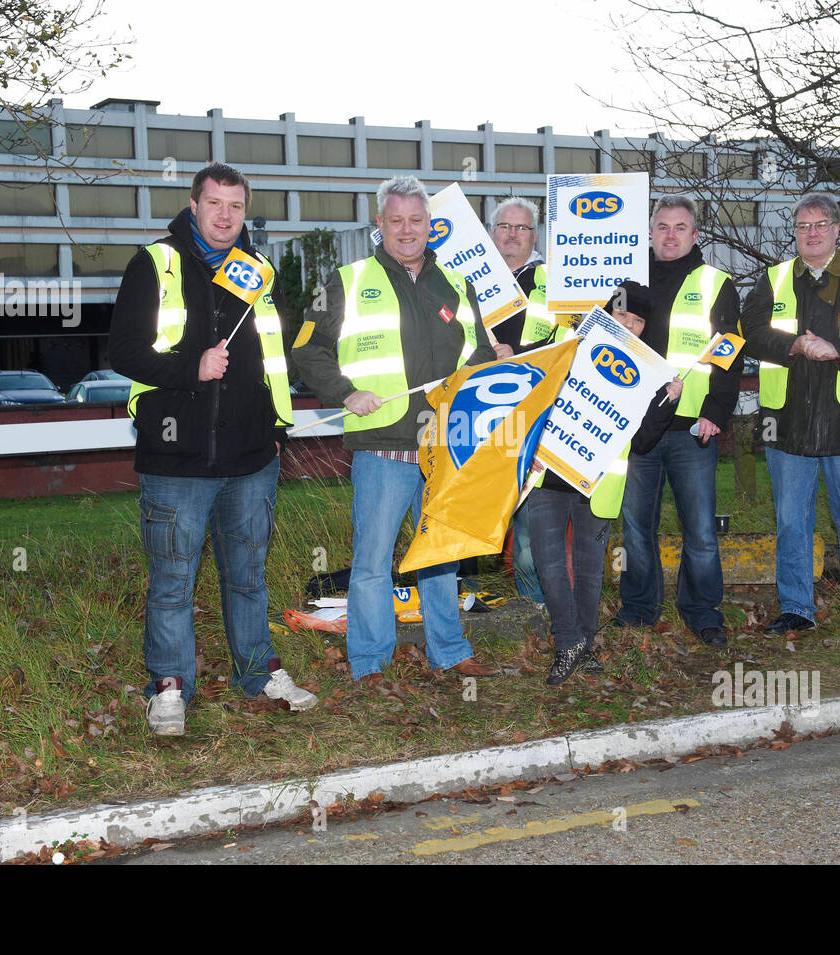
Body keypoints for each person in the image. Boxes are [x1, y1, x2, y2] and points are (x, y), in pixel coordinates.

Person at [110, 162, 318, 736]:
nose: (225, 216)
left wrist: (277, 431)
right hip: (176, 455)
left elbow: (271, 360)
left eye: (236, 206)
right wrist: (190, 368)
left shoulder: (259, 271)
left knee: (248, 576)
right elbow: (123, 352)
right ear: (194, 205)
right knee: (172, 581)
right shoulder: (156, 262)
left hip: (252, 458)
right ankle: (170, 686)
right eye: (215, 204)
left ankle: (257, 673)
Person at [293, 175, 498, 684]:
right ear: (379, 224)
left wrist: (494, 359)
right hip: (383, 447)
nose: (407, 230)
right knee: (371, 565)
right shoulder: (344, 280)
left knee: (442, 558)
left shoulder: (455, 282)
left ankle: (449, 652)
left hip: (445, 448)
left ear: (430, 225)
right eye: (396, 220)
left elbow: (476, 353)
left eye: (417, 220)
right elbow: (305, 349)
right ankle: (369, 664)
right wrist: (344, 392)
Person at [739, 191, 840, 648]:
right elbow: (749, 333)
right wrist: (792, 345)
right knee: (792, 522)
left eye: (821, 225)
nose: (811, 233)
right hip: (787, 426)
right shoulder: (772, 279)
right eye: (803, 226)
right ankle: (796, 609)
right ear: (794, 232)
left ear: (837, 229)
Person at [530, 283, 682, 685]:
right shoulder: (570, 344)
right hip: (548, 470)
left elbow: (645, 440)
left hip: (599, 484)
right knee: (548, 564)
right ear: (607, 313)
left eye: (637, 321)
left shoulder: (650, 373)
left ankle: (583, 646)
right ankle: (569, 643)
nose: (628, 325)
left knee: (590, 569)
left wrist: (669, 401)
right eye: (622, 315)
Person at [614, 196, 742, 648]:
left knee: (701, 531)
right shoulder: (628, 283)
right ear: (651, 232)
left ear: (695, 234)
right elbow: (605, 344)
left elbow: (730, 352)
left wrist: (716, 413)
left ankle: (702, 612)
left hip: (692, 427)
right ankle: (638, 608)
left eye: (680, 227)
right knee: (635, 528)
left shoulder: (716, 284)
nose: (670, 235)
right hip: (636, 426)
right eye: (662, 226)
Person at [482, 197, 551, 608]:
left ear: (534, 235)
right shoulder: (468, 278)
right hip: (477, 411)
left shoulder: (552, 280)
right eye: (505, 226)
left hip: (533, 410)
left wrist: (519, 354)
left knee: (527, 519)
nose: (512, 234)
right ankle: (463, 596)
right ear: (492, 232)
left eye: (522, 228)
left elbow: (566, 342)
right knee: (476, 504)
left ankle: (534, 606)